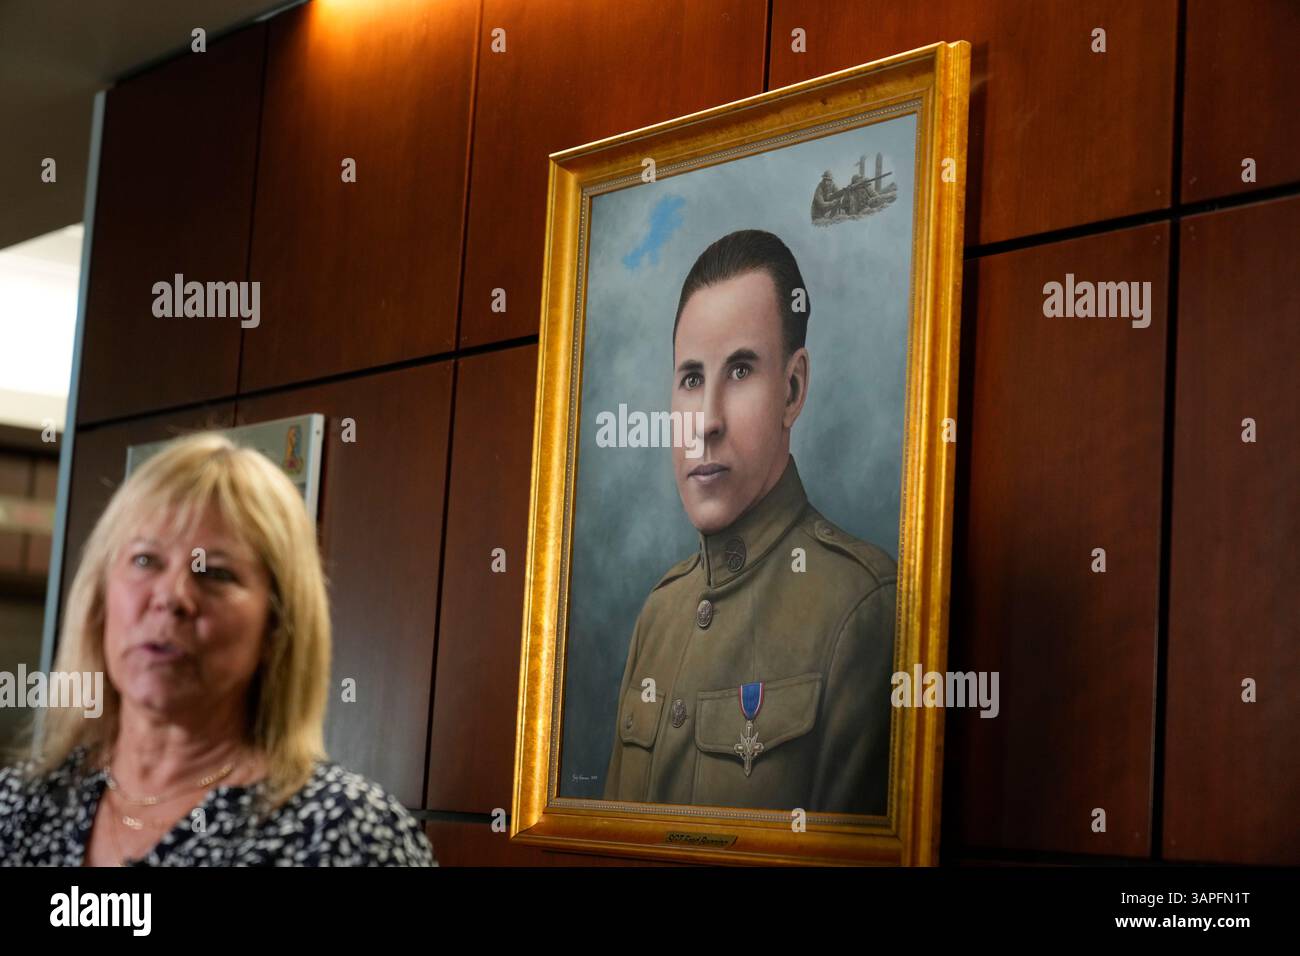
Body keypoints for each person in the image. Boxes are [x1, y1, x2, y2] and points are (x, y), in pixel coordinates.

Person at [0, 433, 435, 866]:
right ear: (99, 600)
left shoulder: (352, 835)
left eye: (215, 573)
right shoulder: (17, 808)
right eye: (146, 560)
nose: (171, 597)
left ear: (277, 627)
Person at [604, 229, 897, 816]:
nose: (706, 421)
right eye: (691, 379)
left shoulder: (862, 609)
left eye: (740, 372)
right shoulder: (659, 614)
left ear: (792, 389)